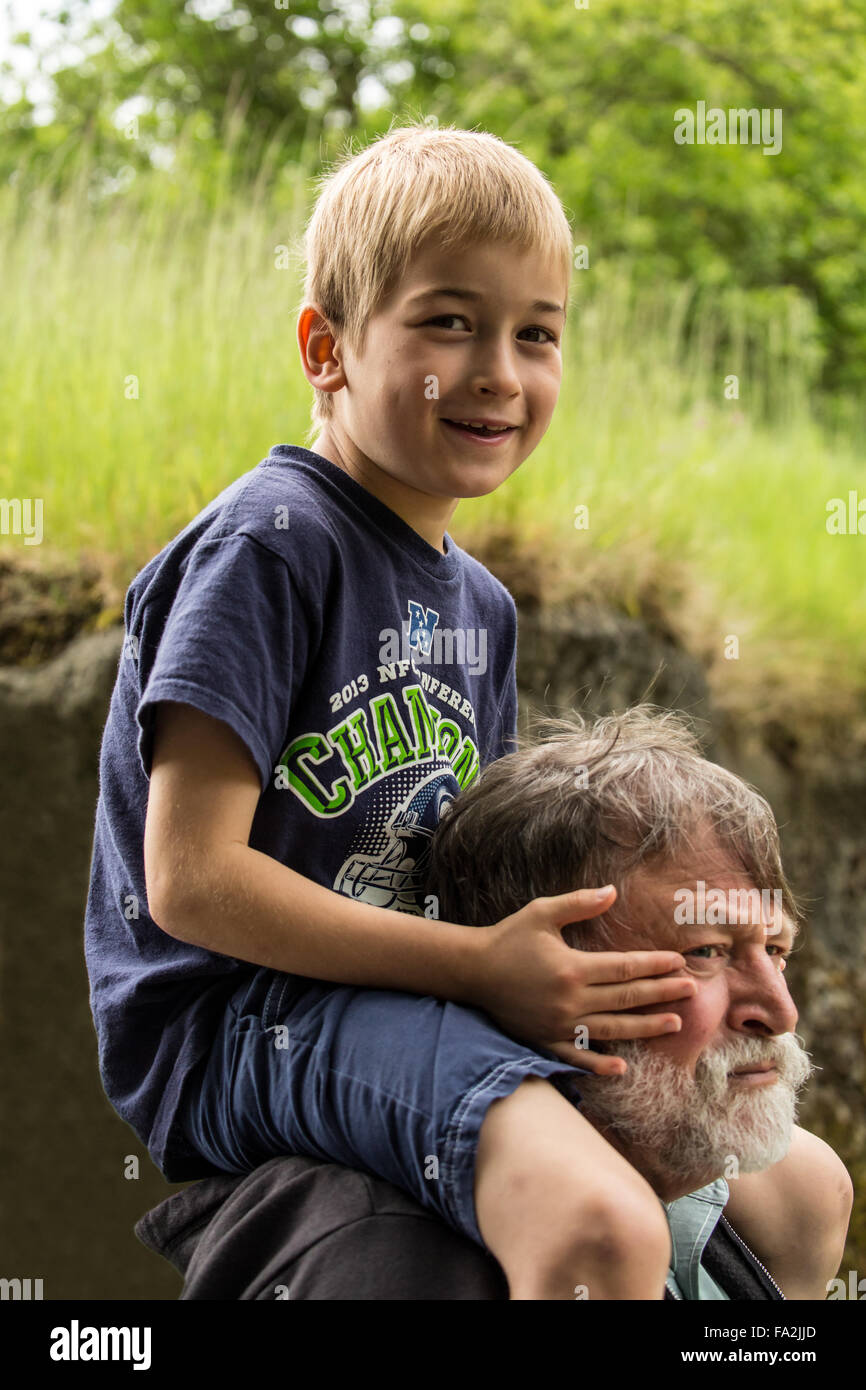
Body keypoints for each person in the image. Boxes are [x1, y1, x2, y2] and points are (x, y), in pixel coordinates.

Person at [82, 122, 789, 1302]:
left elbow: (485, 874)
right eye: (447, 322)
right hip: (239, 1025)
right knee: (602, 1226)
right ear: (326, 347)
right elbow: (189, 882)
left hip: (417, 999)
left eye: (535, 335)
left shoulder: (483, 605)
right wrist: (472, 967)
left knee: (799, 1192)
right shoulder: (270, 546)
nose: (497, 373)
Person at [135, 706, 852, 1301]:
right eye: (706, 954)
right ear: (534, 976)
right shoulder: (381, 1262)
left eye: (777, 950)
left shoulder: (768, 1213)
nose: (778, 1010)